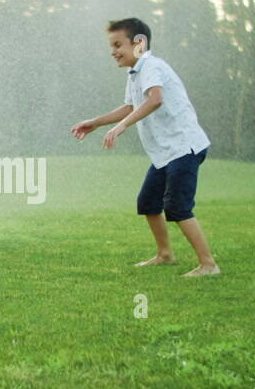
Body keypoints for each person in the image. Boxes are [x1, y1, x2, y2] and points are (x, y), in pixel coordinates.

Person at [70, 18, 220, 277]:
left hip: (184, 147)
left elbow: (155, 99)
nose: (113, 51)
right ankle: (165, 254)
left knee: (177, 206)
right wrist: (95, 123)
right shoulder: (136, 73)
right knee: (149, 202)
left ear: (139, 43)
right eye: (111, 46)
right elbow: (130, 106)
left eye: (118, 44)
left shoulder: (151, 65)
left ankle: (209, 265)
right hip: (165, 153)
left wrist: (121, 127)